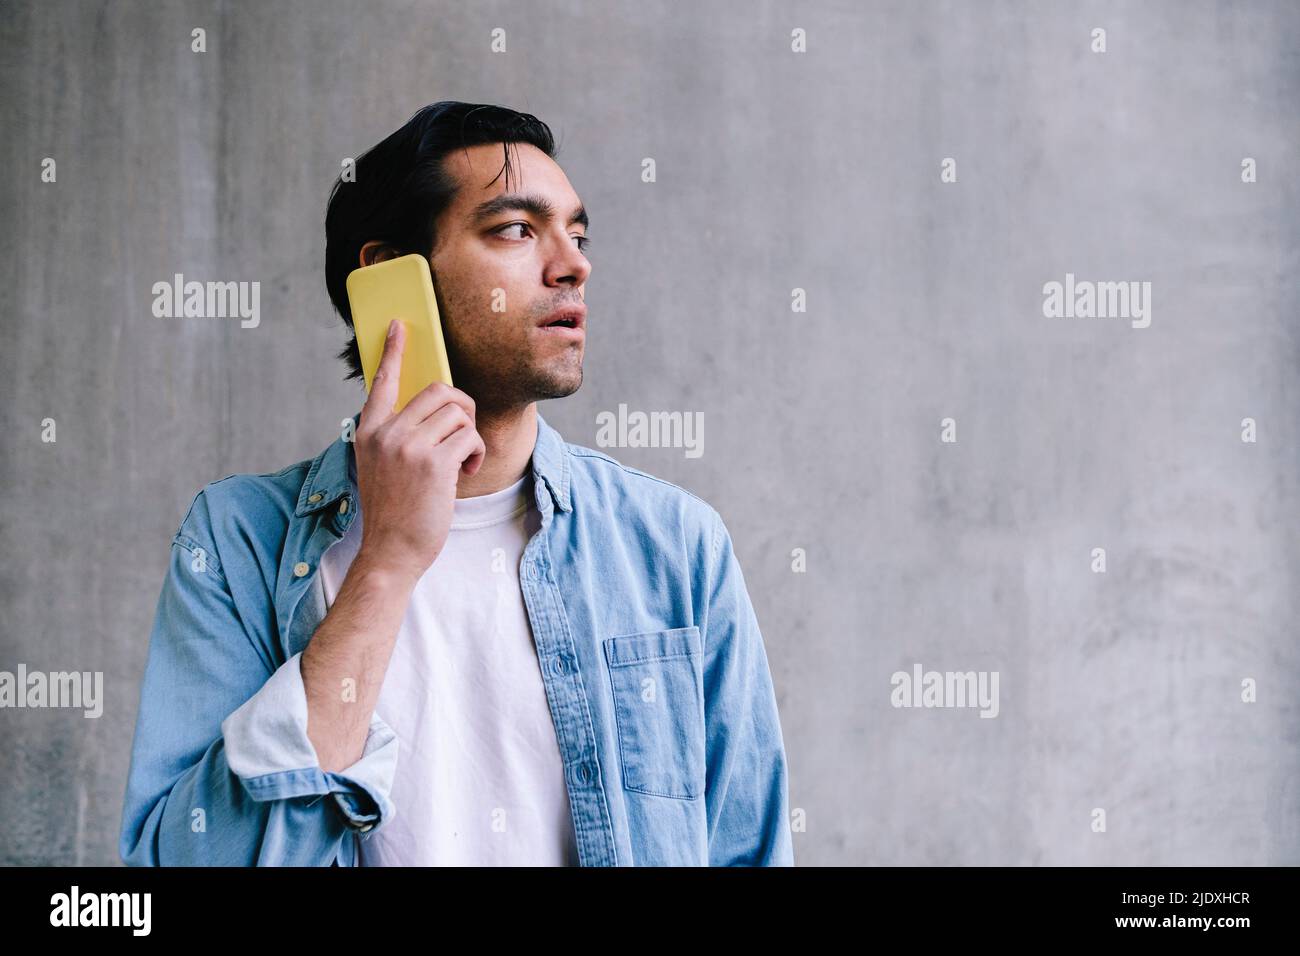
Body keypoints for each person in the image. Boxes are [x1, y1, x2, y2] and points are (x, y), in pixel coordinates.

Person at [119, 101, 794, 866]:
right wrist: (386, 564)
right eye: (515, 228)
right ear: (387, 279)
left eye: (577, 233)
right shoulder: (236, 540)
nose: (574, 263)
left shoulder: (676, 544)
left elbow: (750, 848)